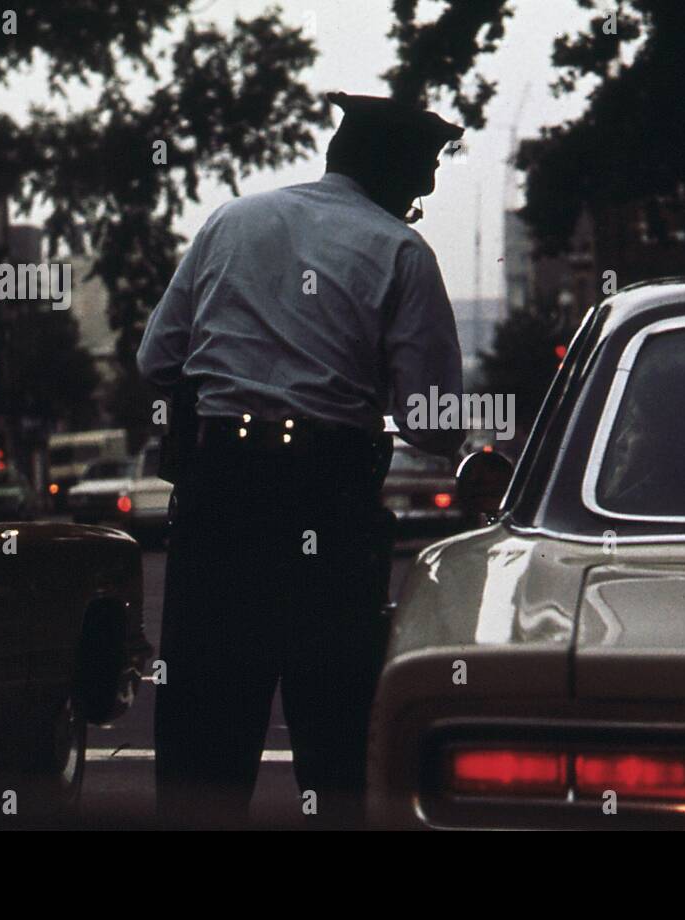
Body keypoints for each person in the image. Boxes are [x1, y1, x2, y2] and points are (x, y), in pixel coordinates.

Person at [137, 92, 466, 828]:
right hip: (328, 499)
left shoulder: (231, 220)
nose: (431, 188)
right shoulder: (402, 252)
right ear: (389, 171)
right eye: (425, 169)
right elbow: (430, 421)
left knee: (203, 726)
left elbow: (157, 356)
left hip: (220, 490)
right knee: (335, 728)